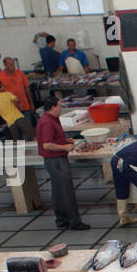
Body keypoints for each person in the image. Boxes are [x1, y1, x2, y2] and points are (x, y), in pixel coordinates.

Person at [35, 95, 89, 231]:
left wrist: (65, 141)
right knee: (66, 191)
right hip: (56, 160)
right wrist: (65, 147)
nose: (61, 108)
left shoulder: (52, 119)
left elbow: (52, 139)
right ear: (53, 107)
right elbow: (47, 145)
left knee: (58, 191)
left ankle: (62, 220)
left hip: (54, 159)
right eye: (59, 105)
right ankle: (74, 221)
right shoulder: (47, 122)